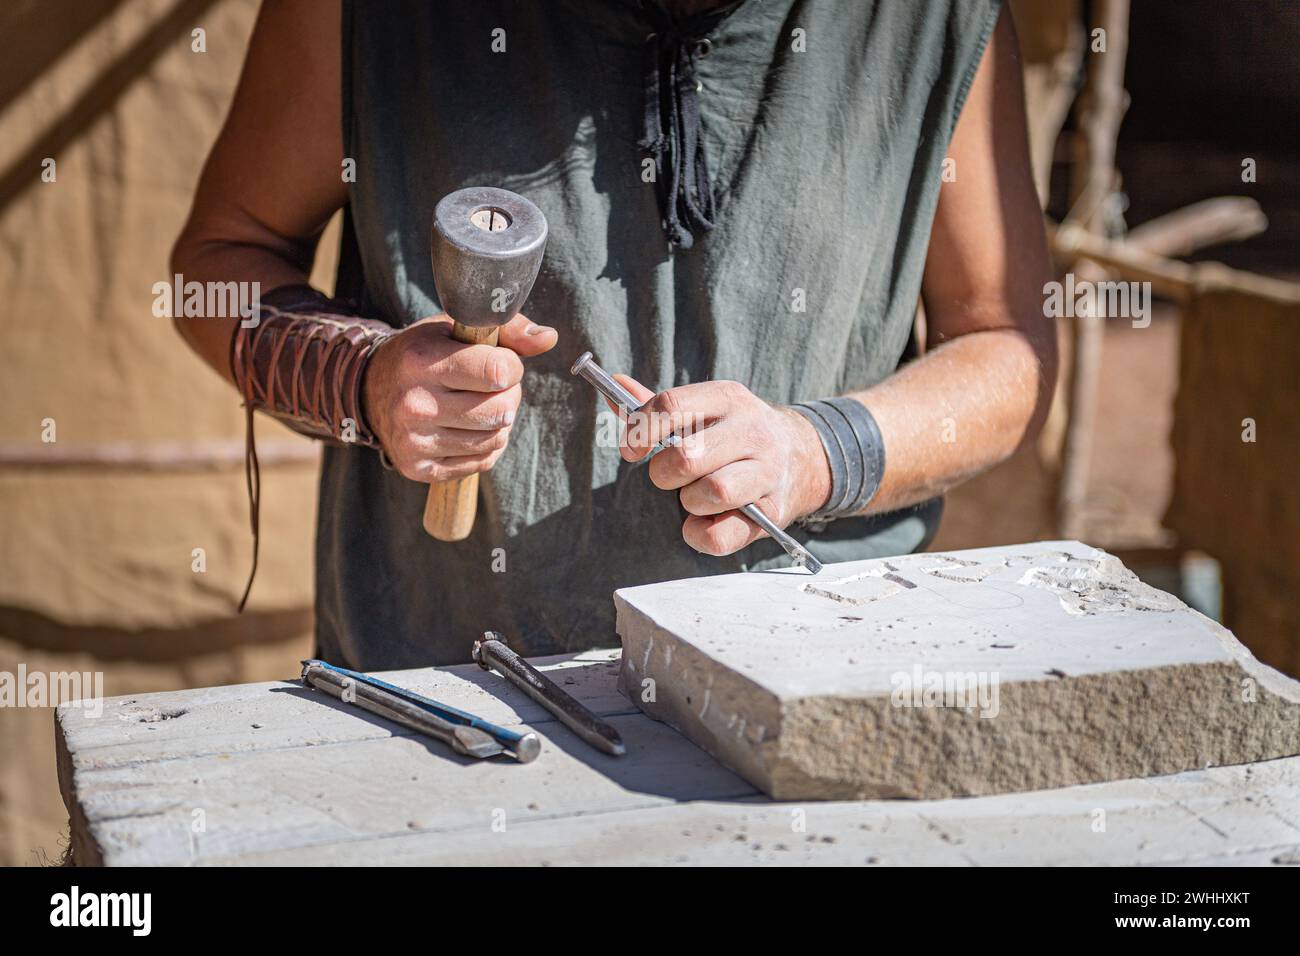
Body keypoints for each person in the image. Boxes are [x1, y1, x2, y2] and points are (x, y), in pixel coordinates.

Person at [172, 0, 1056, 668]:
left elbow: (1006, 346)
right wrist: (358, 378)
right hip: (449, 701)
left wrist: (814, 453)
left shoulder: (926, 19)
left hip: (813, 689)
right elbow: (218, 262)